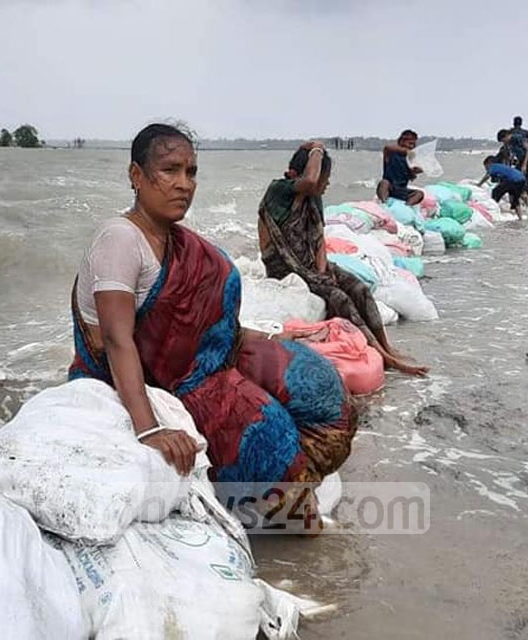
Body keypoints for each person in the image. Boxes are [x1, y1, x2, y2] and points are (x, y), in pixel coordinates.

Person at [70, 124, 357, 520]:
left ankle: (282, 498)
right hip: (151, 378)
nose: (184, 184)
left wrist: (276, 338)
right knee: (265, 435)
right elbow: (118, 340)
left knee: (316, 385)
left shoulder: (178, 241)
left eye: (191, 172)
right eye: (169, 170)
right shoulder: (120, 238)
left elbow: (213, 328)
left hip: (198, 365)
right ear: (136, 175)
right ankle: (283, 511)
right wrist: (150, 429)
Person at [258, 141, 429, 377]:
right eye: (324, 178)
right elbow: (309, 181)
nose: (326, 184)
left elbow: (318, 239)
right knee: (339, 298)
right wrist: (317, 150)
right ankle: (383, 355)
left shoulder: (312, 199)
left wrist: (322, 272)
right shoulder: (278, 190)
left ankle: (386, 346)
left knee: (360, 289)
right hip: (285, 268)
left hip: (310, 266)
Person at [381, 130, 425, 206]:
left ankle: (407, 206)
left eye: (414, 144)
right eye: (410, 143)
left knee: (419, 194)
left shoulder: (410, 159)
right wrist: (407, 152)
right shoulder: (390, 152)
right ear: (401, 141)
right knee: (384, 183)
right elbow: (387, 148)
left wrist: (414, 172)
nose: (412, 147)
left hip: (401, 190)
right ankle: (384, 204)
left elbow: (411, 177)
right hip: (389, 187)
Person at [478, 155, 526, 220]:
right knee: (514, 200)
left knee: (495, 192)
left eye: (485, 166)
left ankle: (493, 209)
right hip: (521, 179)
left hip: (513, 180)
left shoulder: (493, 166)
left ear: (489, 163)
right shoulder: (500, 166)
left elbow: (487, 176)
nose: (486, 169)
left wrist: (479, 184)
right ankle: (520, 217)